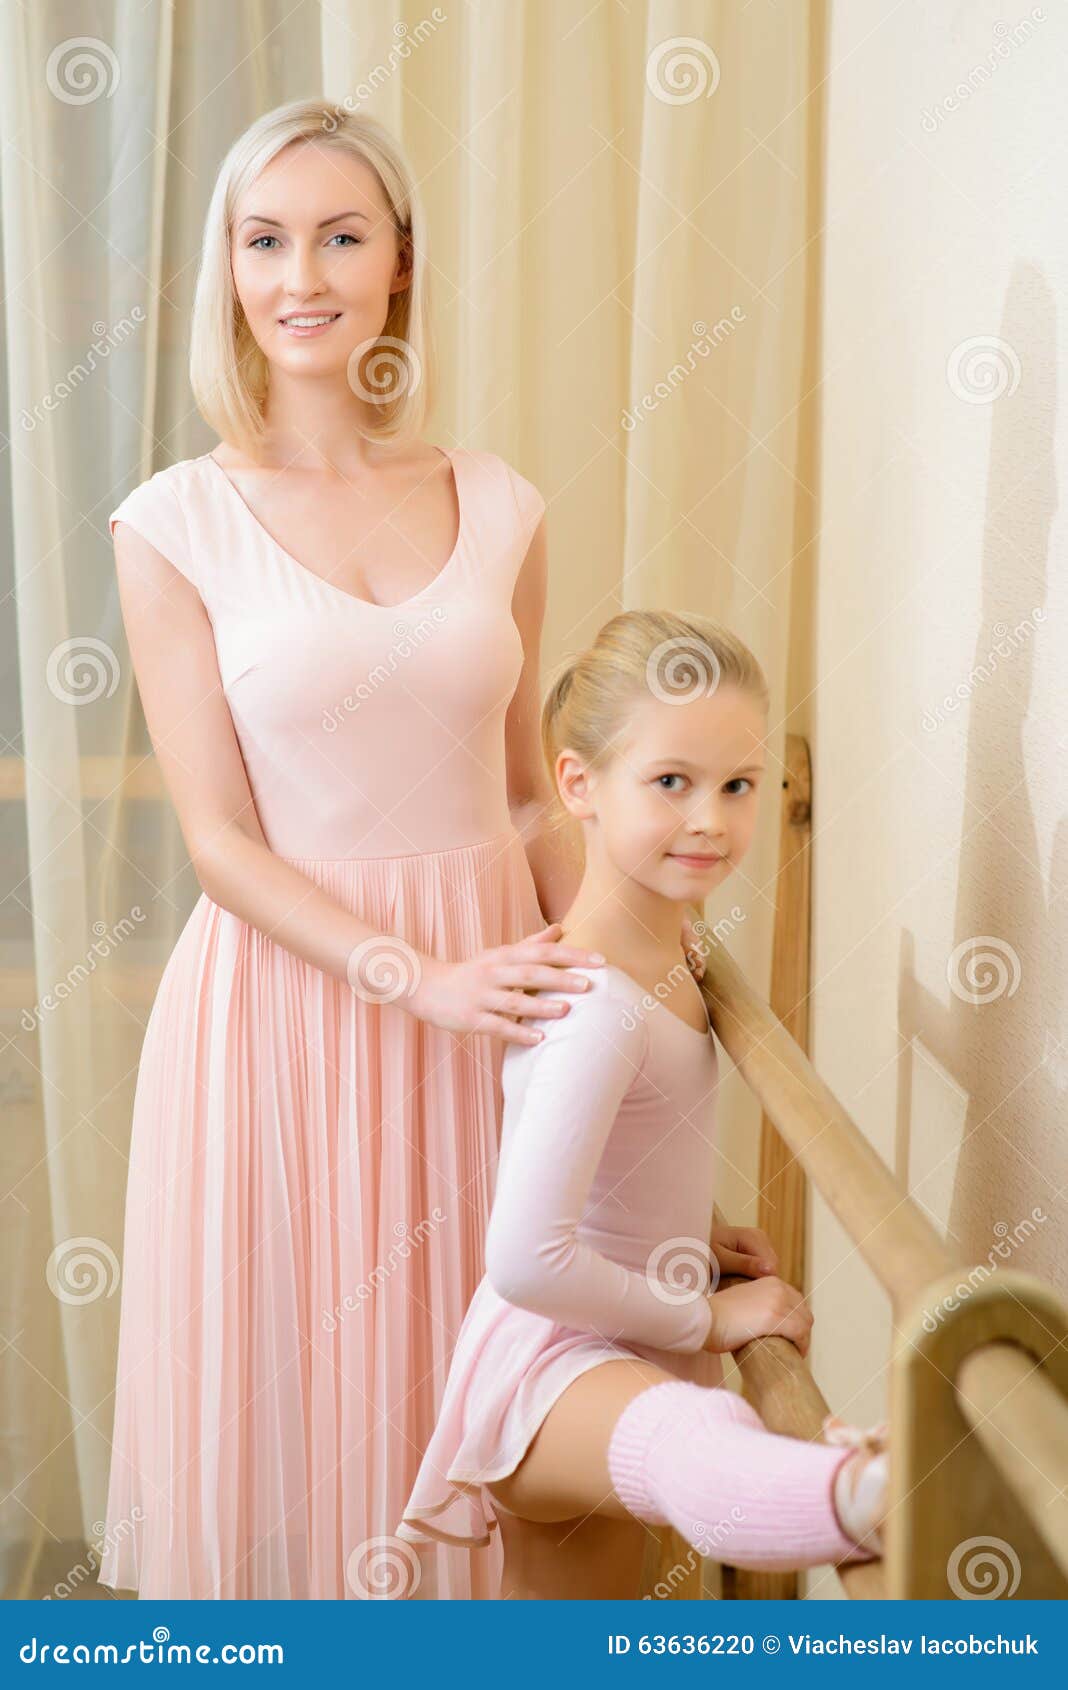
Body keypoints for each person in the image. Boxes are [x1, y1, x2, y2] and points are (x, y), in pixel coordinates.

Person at [99, 98, 610, 1600]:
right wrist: (418, 977)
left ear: (400, 262)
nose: (301, 276)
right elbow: (218, 839)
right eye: (264, 241)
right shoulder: (173, 523)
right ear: (229, 270)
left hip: (492, 1011)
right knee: (298, 1418)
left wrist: (625, 980)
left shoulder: (499, 501)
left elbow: (527, 796)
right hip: (282, 1014)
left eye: (340, 236)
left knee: (479, 1390)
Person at [397, 610, 889, 1599]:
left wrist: (689, 1232)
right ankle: (859, 1491)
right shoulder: (598, 1009)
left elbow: (615, 1154)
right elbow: (526, 1258)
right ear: (579, 785)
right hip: (554, 1366)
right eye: (671, 781)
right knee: (690, 1437)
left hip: (618, 1336)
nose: (710, 818)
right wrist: (706, 1317)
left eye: (738, 785)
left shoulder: (673, 957)